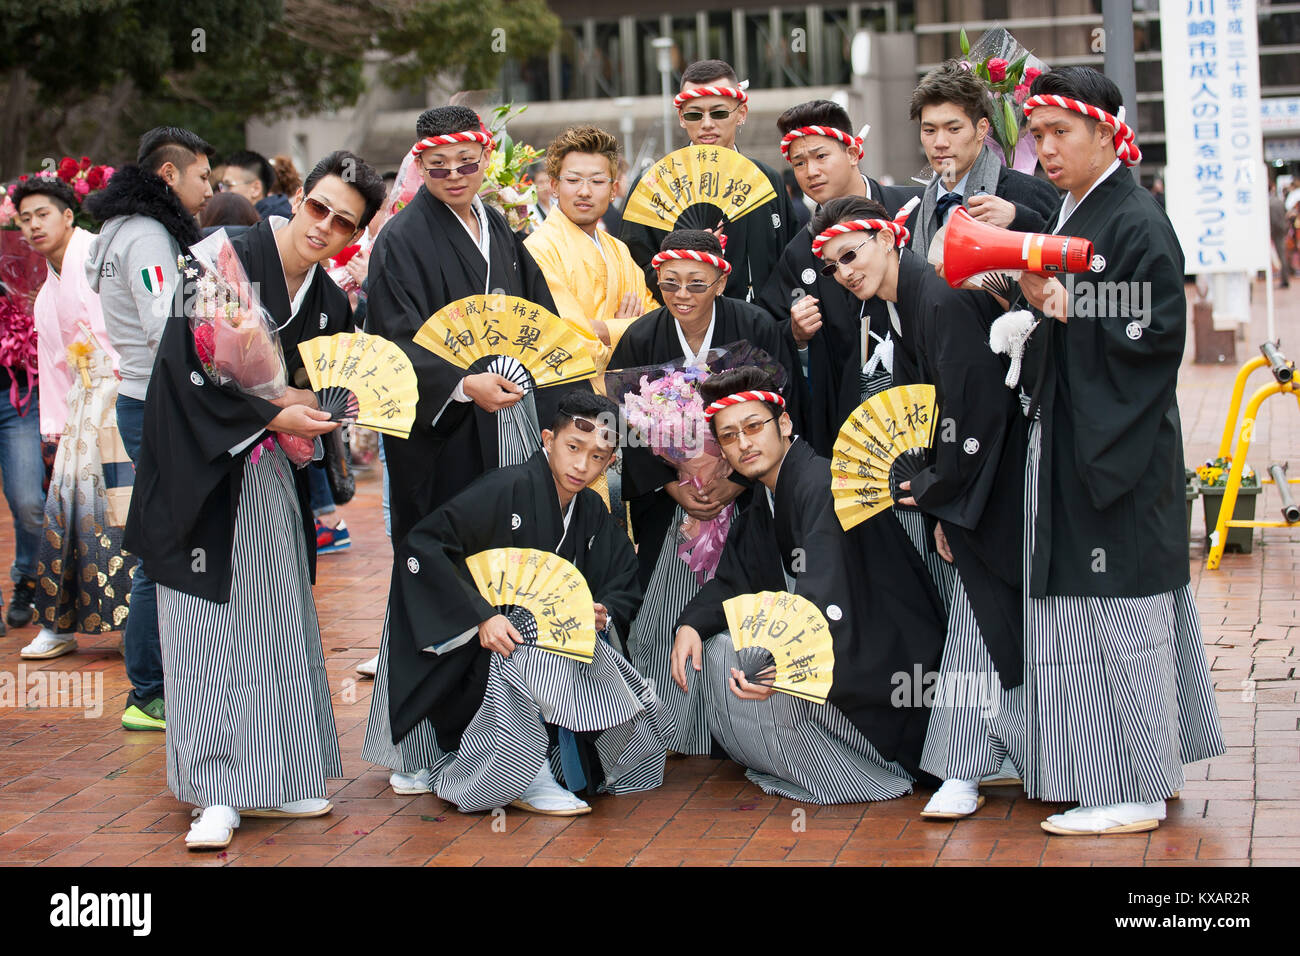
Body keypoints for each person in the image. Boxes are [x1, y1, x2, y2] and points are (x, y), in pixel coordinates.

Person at [123, 149, 388, 851]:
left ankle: (278, 772)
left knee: (275, 616)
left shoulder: (330, 302)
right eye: (318, 207)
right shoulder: (218, 257)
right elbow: (184, 367)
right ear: (299, 200)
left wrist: (327, 408)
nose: (323, 227)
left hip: (270, 477)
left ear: (353, 236)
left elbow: (322, 386)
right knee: (205, 631)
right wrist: (275, 412)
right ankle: (215, 791)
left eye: (342, 223)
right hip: (196, 468)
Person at [1014, 66, 1224, 834]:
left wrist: (1068, 303)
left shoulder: (1135, 217)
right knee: (1083, 617)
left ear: (1107, 131)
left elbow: (1159, 323)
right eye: (1037, 136)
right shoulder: (1076, 209)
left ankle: (1133, 783)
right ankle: (1112, 773)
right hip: (1077, 437)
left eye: (1060, 133)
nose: (1047, 149)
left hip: (1118, 450)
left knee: (1125, 614)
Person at [362, 104, 576, 794]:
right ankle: (423, 743)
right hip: (447, 431)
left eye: (467, 163)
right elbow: (393, 341)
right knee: (438, 565)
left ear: (488, 160)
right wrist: (459, 384)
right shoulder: (401, 239)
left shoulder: (504, 232)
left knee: (505, 569)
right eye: (438, 166)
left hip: (509, 423)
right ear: (418, 166)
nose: (455, 176)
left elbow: (538, 324)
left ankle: (498, 737)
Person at [810, 195, 1028, 819]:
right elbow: (939, 416)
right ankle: (987, 764)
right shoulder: (900, 305)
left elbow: (976, 416)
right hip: (971, 491)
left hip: (994, 488)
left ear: (888, 237)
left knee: (985, 633)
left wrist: (940, 493)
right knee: (981, 634)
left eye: (851, 255)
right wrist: (939, 503)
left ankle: (969, 771)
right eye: (832, 267)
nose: (846, 273)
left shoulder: (938, 299)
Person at [670, 367, 945, 802]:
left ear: (784, 424)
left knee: (739, 657)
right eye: (728, 436)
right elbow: (735, 579)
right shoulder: (767, 497)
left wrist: (790, 659)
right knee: (721, 646)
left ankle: (860, 768)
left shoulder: (822, 484)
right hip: (843, 646)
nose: (743, 444)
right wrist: (690, 624)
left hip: (881, 656)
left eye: (754, 427)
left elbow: (828, 589)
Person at [388, 392, 670, 814]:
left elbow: (624, 575)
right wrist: (481, 615)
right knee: (529, 640)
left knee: (573, 645)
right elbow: (422, 548)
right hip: (477, 655)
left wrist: (602, 610)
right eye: (574, 447)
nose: (582, 465)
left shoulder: (589, 507)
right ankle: (525, 775)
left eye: (598, 457)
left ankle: (561, 760)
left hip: (540, 650)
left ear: (610, 462)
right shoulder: (504, 488)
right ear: (548, 439)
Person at [607, 229, 804, 755]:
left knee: (743, 585)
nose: (683, 295)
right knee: (663, 602)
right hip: (671, 499)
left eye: (697, 282)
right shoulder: (641, 338)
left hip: (744, 490)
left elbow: (784, 408)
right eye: (669, 283)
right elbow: (629, 426)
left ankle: (737, 711)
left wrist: (735, 480)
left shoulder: (756, 324)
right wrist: (673, 484)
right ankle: (669, 719)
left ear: (722, 279)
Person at [85, 125, 214, 732]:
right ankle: (147, 691)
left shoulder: (119, 230)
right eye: (202, 176)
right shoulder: (145, 236)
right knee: (160, 550)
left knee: (160, 542)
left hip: (143, 398)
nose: (208, 189)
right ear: (169, 174)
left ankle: (156, 683)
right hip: (159, 402)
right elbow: (168, 328)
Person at [757, 100, 922, 458]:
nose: (810, 171)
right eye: (798, 163)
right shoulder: (800, 252)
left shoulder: (913, 209)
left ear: (853, 152)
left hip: (927, 397)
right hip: (851, 416)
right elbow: (769, 328)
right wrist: (796, 333)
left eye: (820, 156)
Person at [12, 176, 133, 660]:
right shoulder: (47, 292)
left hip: (123, 397)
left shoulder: (98, 257)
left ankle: (135, 623)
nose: (34, 225)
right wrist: (55, 430)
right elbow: (52, 365)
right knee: (69, 514)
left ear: (68, 215)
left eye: (43, 213)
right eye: (25, 219)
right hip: (83, 413)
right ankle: (58, 622)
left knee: (123, 512)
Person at [621, 59, 796, 303]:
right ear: (681, 117)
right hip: (678, 329)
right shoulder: (653, 184)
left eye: (719, 112)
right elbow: (632, 268)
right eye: (694, 114)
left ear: (741, 113)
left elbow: (787, 263)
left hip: (759, 329)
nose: (706, 124)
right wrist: (682, 266)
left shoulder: (767, 181)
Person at [524, 125, 656, 373]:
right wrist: (625, 330)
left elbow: (653, 322)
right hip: (573, 397)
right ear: (554, 185)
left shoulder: (618, 249)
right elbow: (566, 340)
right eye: (573, 180)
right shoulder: (538, 250)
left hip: (629, 393)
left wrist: (605, 330)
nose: (584, 191)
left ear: (613, 190)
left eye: (597, 181)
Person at [901, 61, 1060, 264]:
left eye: (954, 129)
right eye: (929, 131)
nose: (940, 143)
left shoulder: (1028, 192)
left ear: (982, 129)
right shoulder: (914, 208)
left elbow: (1063, 257)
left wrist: (1017, 218)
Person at [219, 149, 291, 220]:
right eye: (222, 186)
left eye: (228, 185)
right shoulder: (256, 221)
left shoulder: (274, 225)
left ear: (256, 189)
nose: (222, 192)